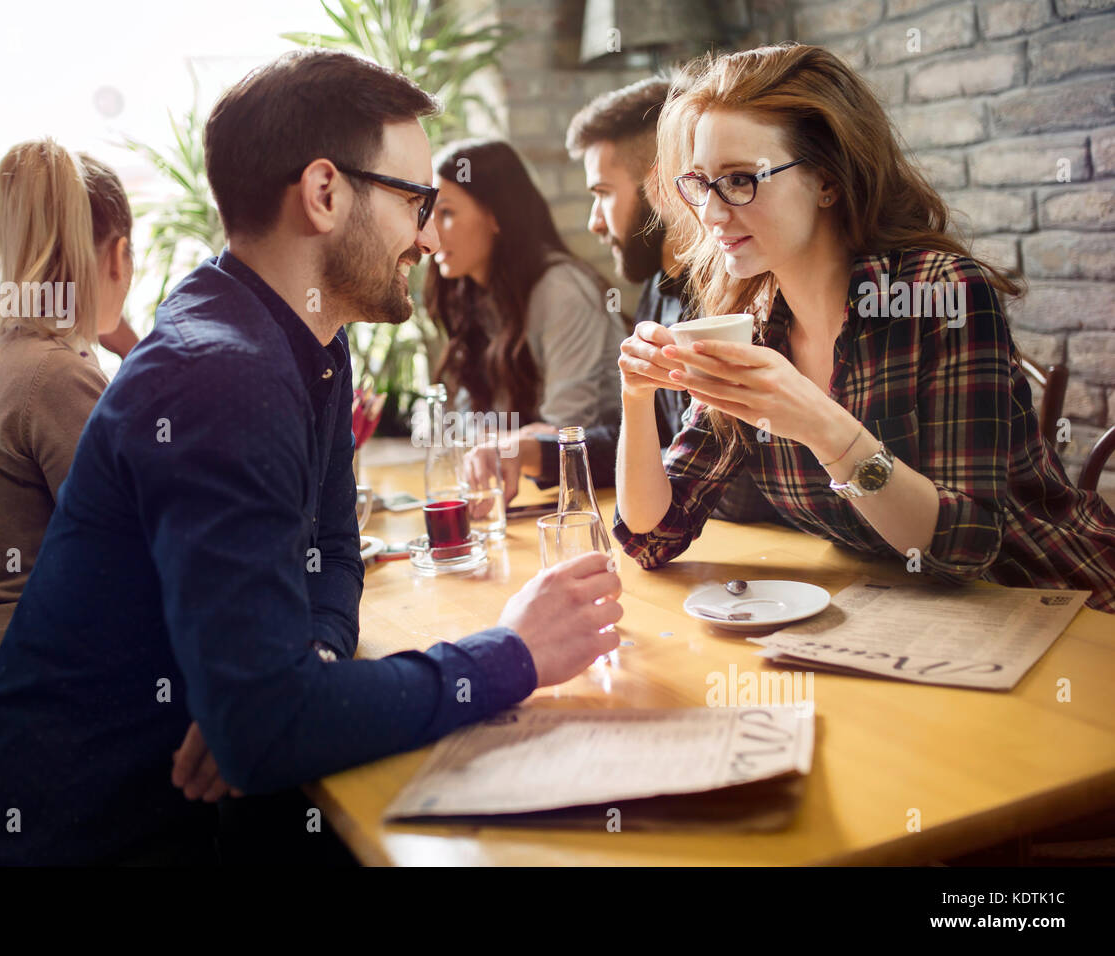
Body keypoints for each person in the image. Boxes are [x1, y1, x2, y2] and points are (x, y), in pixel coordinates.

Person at [0, 49, 622, 866]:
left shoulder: (304, 340)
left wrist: (301, 679)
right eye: (417, 200)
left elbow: (332, 554)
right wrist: (513, 653)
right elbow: (264, 733)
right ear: (325, 193)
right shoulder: (219, 373)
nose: (424, 233)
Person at [614, 43, 1115, 613]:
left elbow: (967, 545)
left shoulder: (936, 293)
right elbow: (653, 536)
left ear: (827, 180)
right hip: (912, 614)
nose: (709, 213)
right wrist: (636, 394)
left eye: (739, 180)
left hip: (1057, 602)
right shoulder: (753, 324)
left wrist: (822, 427)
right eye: (701, 183)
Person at [473, 75, 781, 524]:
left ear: (657, 188)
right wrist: (543, 450)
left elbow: (738, 481)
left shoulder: (739, 293)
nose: (595, 223)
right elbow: (650, 436)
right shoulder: (662, 286)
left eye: (602, 194)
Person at [0, 142, 137, 687]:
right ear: (118, 257)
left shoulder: (7, 350)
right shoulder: (54, 374)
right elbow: (132, 544)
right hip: (37, 683)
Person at [425, 139, 622, 436]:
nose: (430, 230)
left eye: (447, 213)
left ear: (495, 216)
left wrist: (492, 444)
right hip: (532, 475)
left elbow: (564, 428)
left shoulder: (561, 290)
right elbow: (469, 424)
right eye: (428, 214)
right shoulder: (473, 294)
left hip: (598, 474)